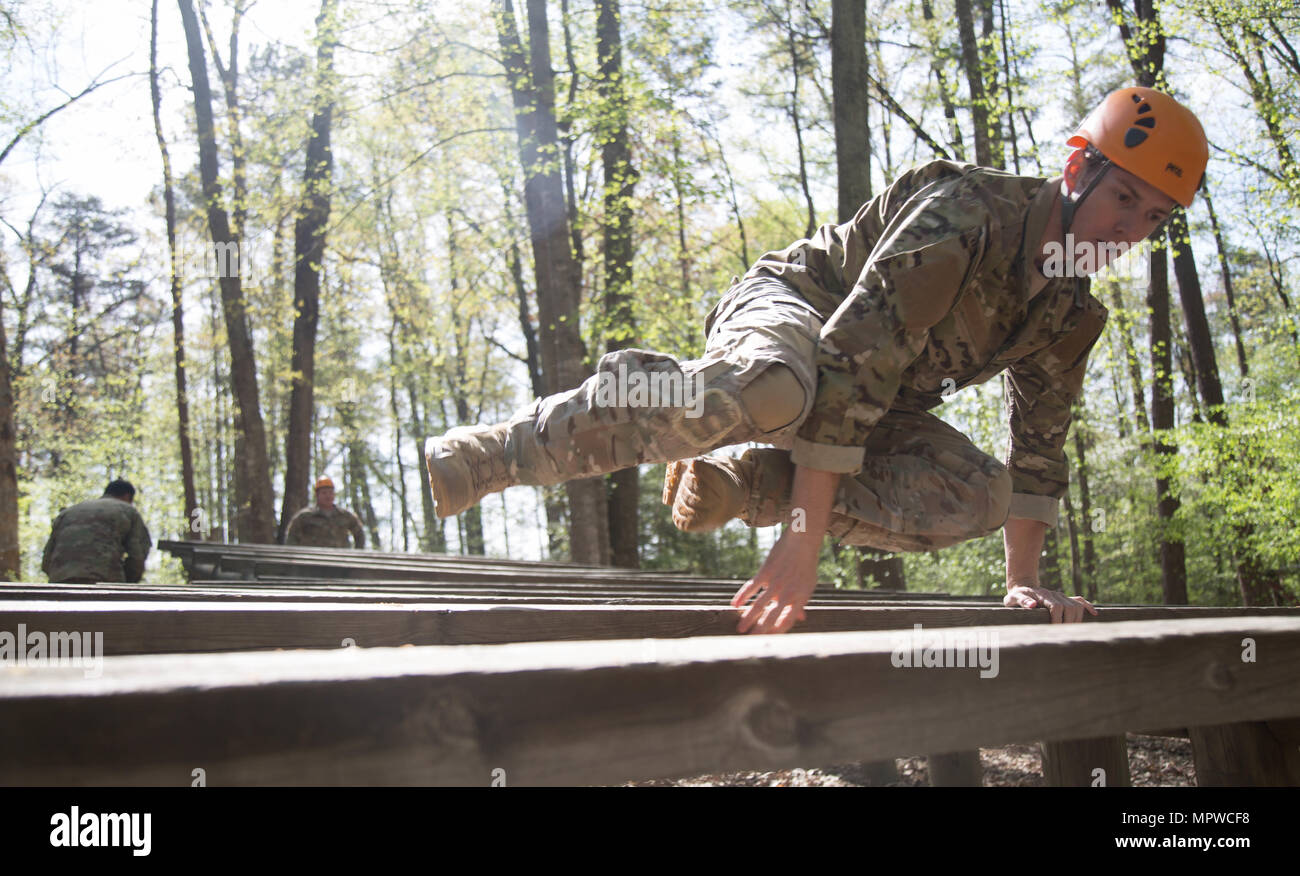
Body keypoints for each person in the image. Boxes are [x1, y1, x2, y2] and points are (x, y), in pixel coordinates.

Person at [424, 86, 1208, 634]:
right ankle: (499, 451)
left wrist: (1024, 585)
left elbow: (1039, 452)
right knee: (772, 390)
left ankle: (744, 481)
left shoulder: (1072, 313)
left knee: (982, 495)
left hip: (878, 393)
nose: (1131, 228)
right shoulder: (968, 217)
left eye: (1153, 217)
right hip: (801, 312)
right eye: (1123, 199)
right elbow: (851, 358)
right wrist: (799, 546)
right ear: (1077, 172)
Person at [42, 478, 153, 584]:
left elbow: (47, 558)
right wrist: (127, 583)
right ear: (127, 496)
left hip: (60, 581)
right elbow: (137, 555)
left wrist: (60, 575)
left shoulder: (68, 512)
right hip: (104, 580)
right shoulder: (128, 511)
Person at [284, 476, 366, 548]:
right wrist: (296, 556)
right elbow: (291, 536)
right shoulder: (305, 516)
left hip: (340, 560)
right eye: (324, 493)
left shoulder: (345, 515)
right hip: (312, 561)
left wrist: (356, 553)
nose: (328, 496)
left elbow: (359, 534)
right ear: (317, 495)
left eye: (331, 493)